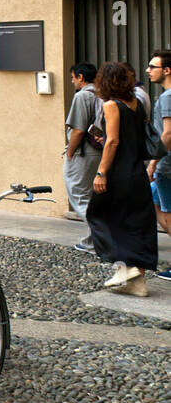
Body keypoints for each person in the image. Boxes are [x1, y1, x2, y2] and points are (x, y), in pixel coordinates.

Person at [89, 62, 159, 296]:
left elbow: (113, 141)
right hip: (137, 171)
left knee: (101, 216)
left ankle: (124, 266)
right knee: (136, 222)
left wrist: (101, 172)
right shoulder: (136, 103)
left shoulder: (111, 105)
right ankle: (137, 282)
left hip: (119, 172)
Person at [63, 63, 103, 253]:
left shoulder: (82, 96)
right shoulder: (102, 93)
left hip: (84, 152)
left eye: (73, 78)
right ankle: (91, 240)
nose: (72, 81)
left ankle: (102, 236)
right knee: (94, 196)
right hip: (100, 151)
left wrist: (70, 152)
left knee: (79, 194)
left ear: (80, 77)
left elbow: (78, 130)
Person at [146, 51, 171, 280]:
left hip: (166, 165)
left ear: (167, 70)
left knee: (168, 213)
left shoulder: (167, 97)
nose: (148, 70)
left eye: (153, 66)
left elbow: (168, 133)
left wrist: (153, 162)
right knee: (153, 201)